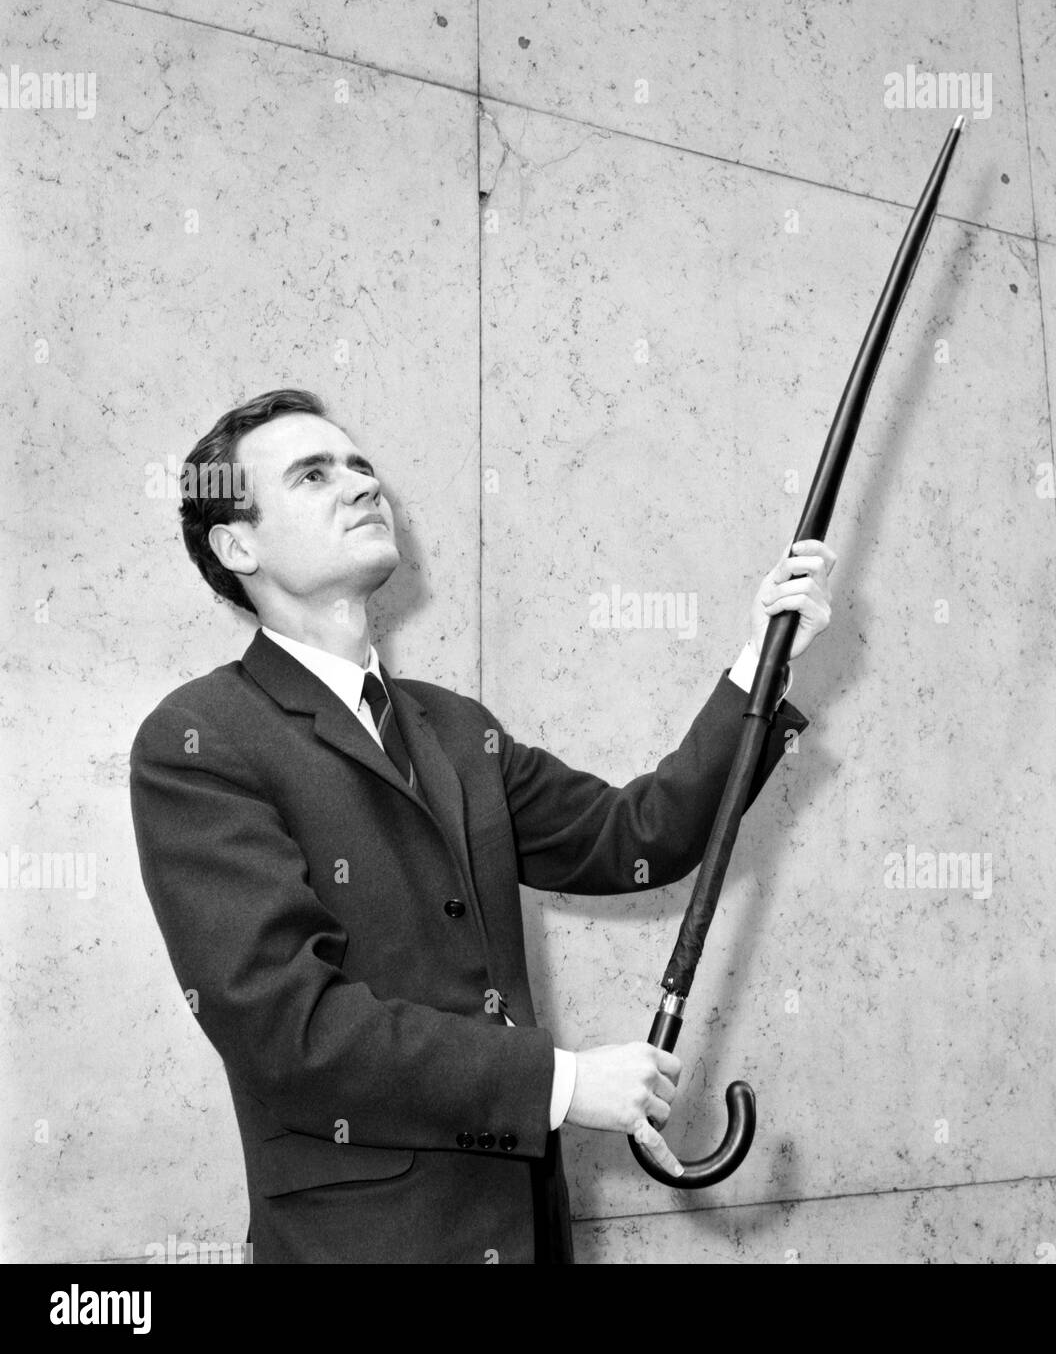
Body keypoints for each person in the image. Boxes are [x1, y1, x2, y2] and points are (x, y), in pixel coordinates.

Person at [129, 388, 834, 1263]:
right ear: (238, 545)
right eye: (313, 475)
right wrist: (564, 1083)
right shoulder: (199, 741)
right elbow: (288, 1028)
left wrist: (757, 664)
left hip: (526, 1236)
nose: (361, 486)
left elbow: (637, 838)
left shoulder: (459, 730)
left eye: (360, 465)